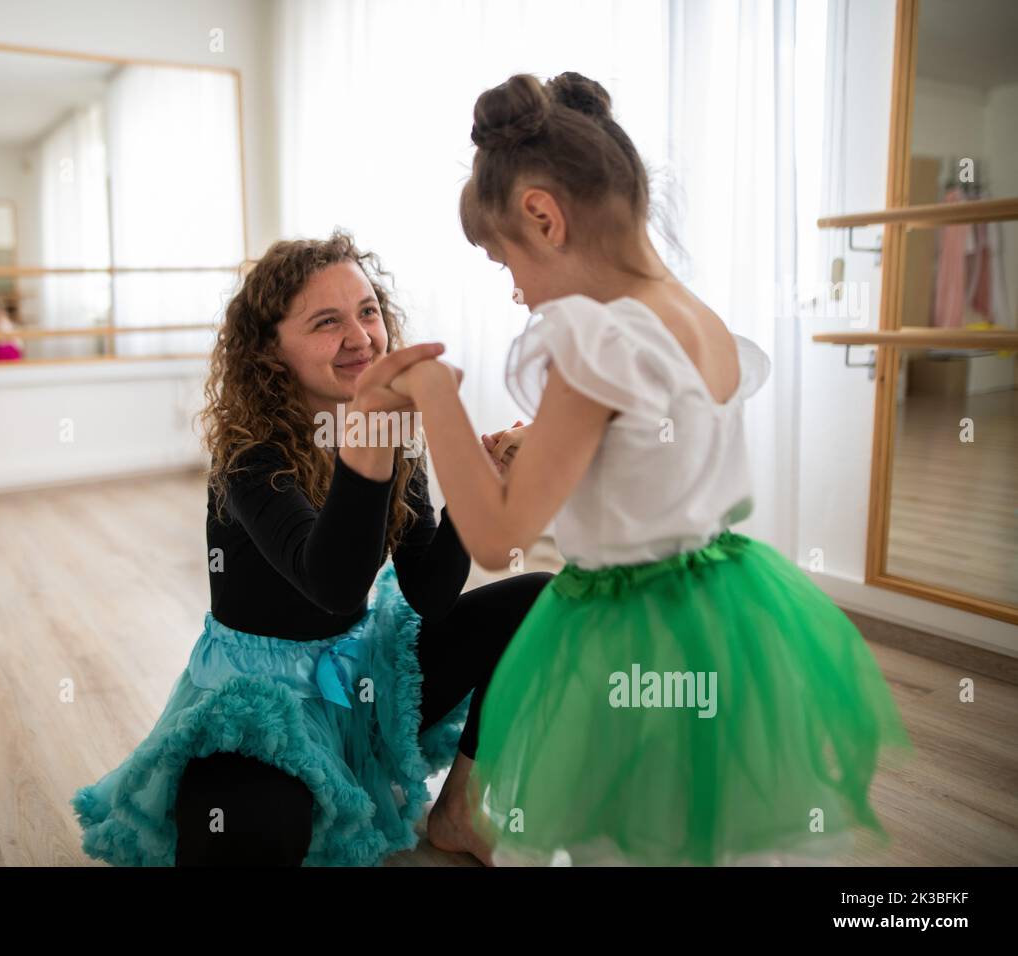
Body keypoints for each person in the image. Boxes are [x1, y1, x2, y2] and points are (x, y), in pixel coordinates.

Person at [388, 72, 911, 866]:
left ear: (543, 216)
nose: (519, 292)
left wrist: (433, 394)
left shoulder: (598, 341)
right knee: (692, 831)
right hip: (718, 617)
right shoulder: (695, 318)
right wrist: (564, 449)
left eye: (506, 263)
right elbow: (657, 461)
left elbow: (498, 538)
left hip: (625, 635)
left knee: (613, 834)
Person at [72, 232, 551, 866]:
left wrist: (476, 488)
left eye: (369, 311)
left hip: (367, 677)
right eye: (328, 322)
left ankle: (459, 809)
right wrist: (374, 435)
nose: (362, 338)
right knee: (253, 834)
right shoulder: (250, 455)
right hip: (260, 701)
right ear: (270, 352)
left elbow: (431, 595)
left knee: (541, 602)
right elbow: (332, 583)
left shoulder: (392, 431)